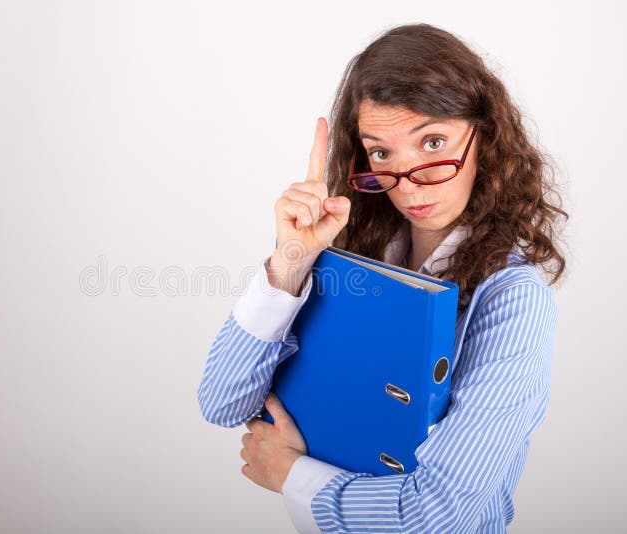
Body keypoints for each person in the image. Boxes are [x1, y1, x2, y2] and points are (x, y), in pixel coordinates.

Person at [197, 23, 567, 534]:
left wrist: (290, 473)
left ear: (487, 137)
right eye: (382, 153)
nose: (410, 182)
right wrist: (289, 262)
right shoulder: (350, 261)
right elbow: (221, 403)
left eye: (432, 142)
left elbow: (438, 515)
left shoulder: (512, 301)